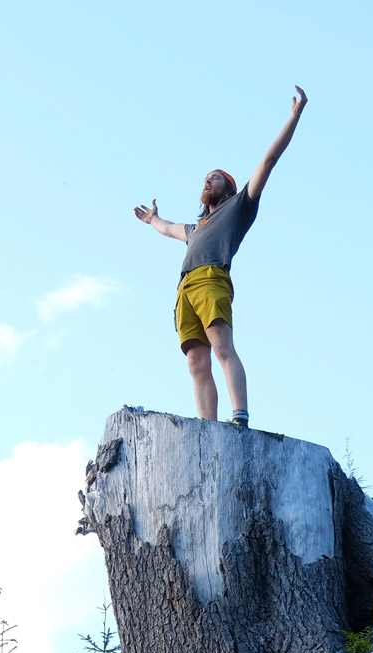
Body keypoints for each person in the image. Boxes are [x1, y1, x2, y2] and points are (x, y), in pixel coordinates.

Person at [133, 86, 306, 426]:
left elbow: (268, 162)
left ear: (228, 187)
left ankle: (239, 416)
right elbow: (168, 228)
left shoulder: (239, 207)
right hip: (185, 289)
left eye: (215, 178)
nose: (207, 181)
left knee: (222, 346)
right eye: (205, 179)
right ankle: (207, 427)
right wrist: (153, 219)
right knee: (196, 362)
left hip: (212, 278)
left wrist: (294, 117)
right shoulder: (196, 228)